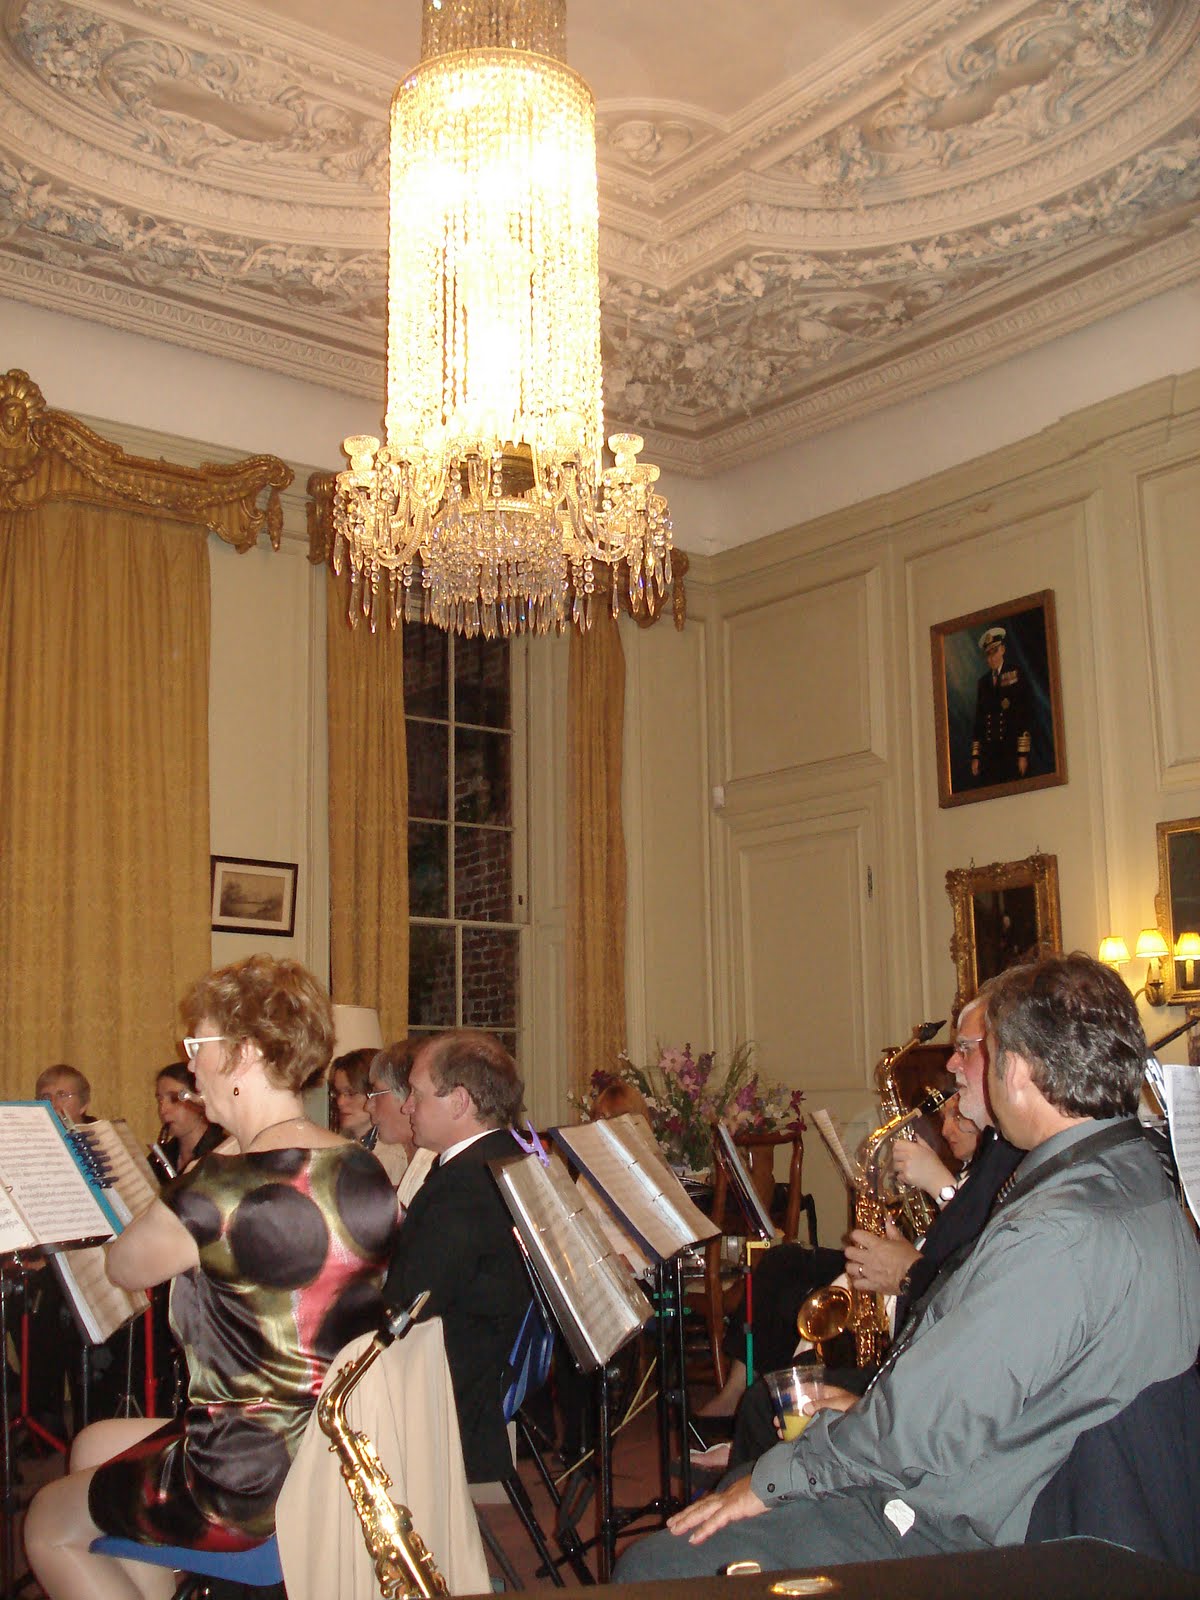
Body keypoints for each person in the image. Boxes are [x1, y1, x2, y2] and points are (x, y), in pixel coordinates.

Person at [617, 952, 1200, 1578]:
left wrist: (771, 1481)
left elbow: (927, 1432)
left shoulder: (1058, 1233)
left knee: (653, 1569)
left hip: (969, 1522)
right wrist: (873, 1416)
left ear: (1019, 1070)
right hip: (1024, 1474)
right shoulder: (1147, 1181)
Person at [24, 955, 398, 1600]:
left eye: (197, 1046)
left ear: (244, 1054)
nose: (190, 1065)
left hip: (241, 1478)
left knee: (46, 1522)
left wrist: (218, 1154)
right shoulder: (365, 1168)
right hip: (330, 1444)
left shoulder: (217, 1188)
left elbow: (123, 1264)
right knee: (92, 1445)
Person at [382, 1028, 530, 1483]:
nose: (407, 1106)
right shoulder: (508, 1155)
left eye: (417, 1094)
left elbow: (407, 1306)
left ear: (460, 1102)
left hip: (451, 1378)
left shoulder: (462, 1186)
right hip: (485, 1357)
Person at [970, 624, 1032, 785]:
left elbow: (1024, 715)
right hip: (990, 753)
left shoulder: (1015, 674)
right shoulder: (983, 683)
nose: (992, 658)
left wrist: (1022, 754)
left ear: (1002, 650)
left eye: (995, 652)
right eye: (988, 654)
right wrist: (976, 756)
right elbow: (979, 721)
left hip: (1011, 750)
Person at [367, 1039, 425, 1198]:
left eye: (376, 1093)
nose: (368, 1106)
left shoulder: (434, 1170)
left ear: (409, 1094)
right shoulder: (417, 1164)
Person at [152, 1061, 223, 1175]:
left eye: (175, 1099)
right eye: (160, 1100)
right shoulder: (160, 1158)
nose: (162, 1110)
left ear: (199, 1101)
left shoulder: (224, 1154)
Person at [329, 1047, 375, 1144]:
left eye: (351, 1093)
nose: (340, 1102)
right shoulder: (334, 1145)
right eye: (337, 1093)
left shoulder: (398, 1151)